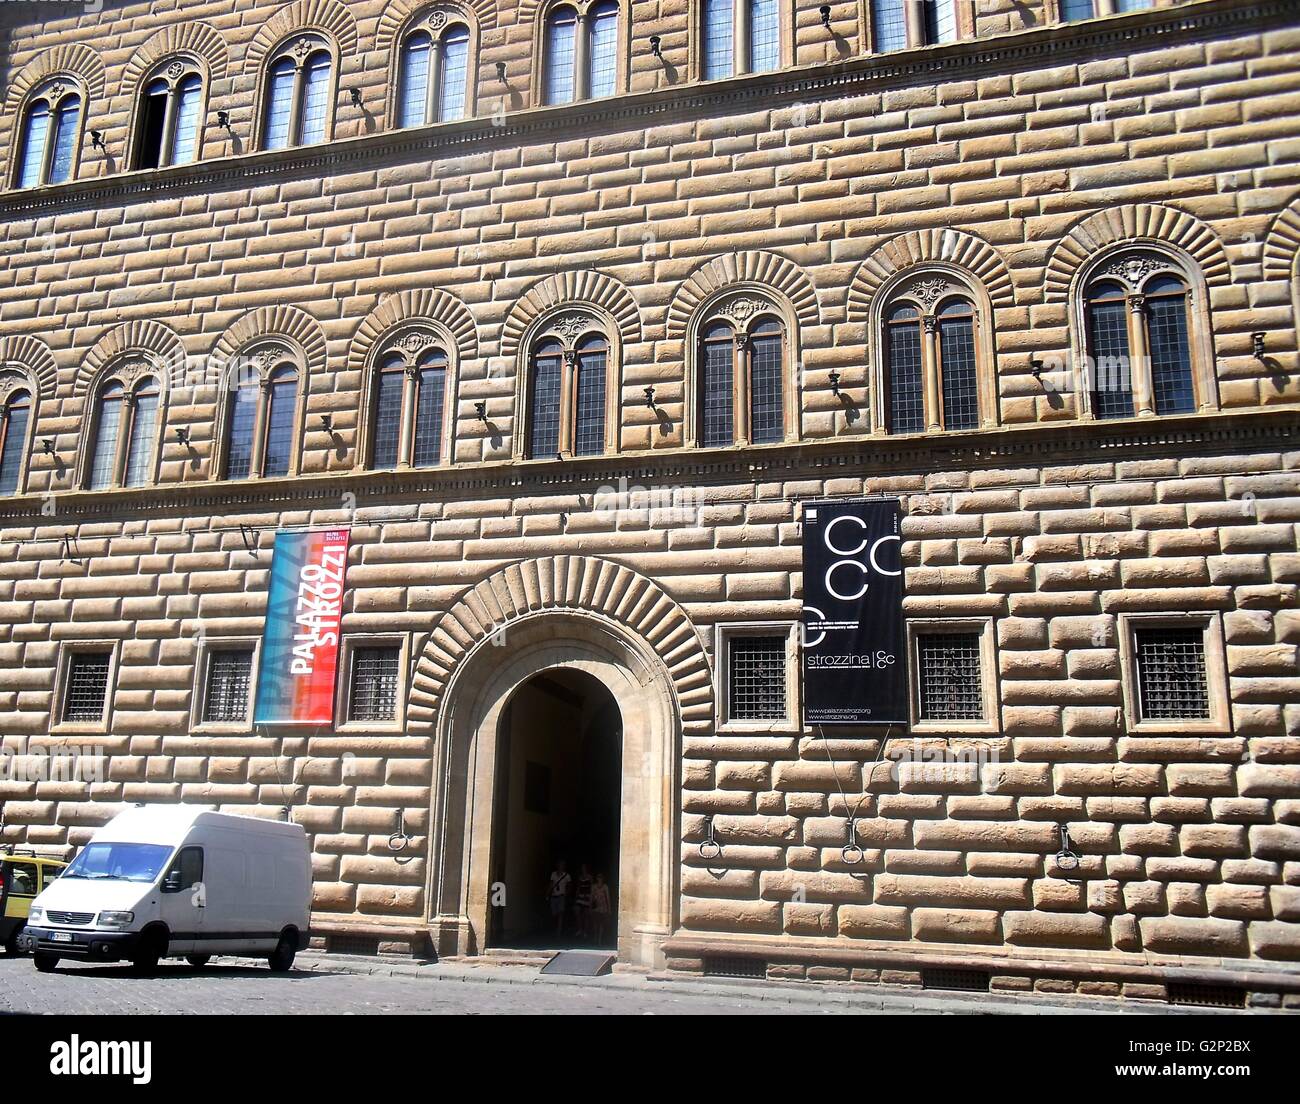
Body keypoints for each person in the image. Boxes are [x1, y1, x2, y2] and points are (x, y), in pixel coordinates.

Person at [547, 859, 571, 939]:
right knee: (554, 914)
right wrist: (547, 893)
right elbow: (551, 884)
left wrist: (566, 894)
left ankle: (558, 932)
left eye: (562, 865)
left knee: (560, 913)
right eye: (560, 865)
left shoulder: (567, 876)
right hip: (554, 896)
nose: (561, 866)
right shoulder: (553, 874)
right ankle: (555, 928)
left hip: (561, 896)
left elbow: (569, 886)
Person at [590, 873, 611, 946]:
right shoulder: (594, 887)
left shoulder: (605, 887)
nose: (599, 878)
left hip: (603, 907)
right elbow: (591, 897)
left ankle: (599, 940)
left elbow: (608, 898)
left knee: (601, 924)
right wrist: (590, 906)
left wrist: (609, 909)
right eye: (598, 877)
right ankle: (596, 937)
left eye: (601, 877)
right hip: (596, 907)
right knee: (595, 924)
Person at [573, 863, 593, 940]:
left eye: (584, 867)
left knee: (586, 914)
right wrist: (576, 897)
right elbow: (578, 888)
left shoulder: (590, 877)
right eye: (582, 868)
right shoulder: (580, 877)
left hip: (587, 897)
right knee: (577, 912)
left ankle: (585, 931)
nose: (583, 869)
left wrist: (591, 897)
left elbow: (592, 887)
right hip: (580, 897)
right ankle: (580, 929)